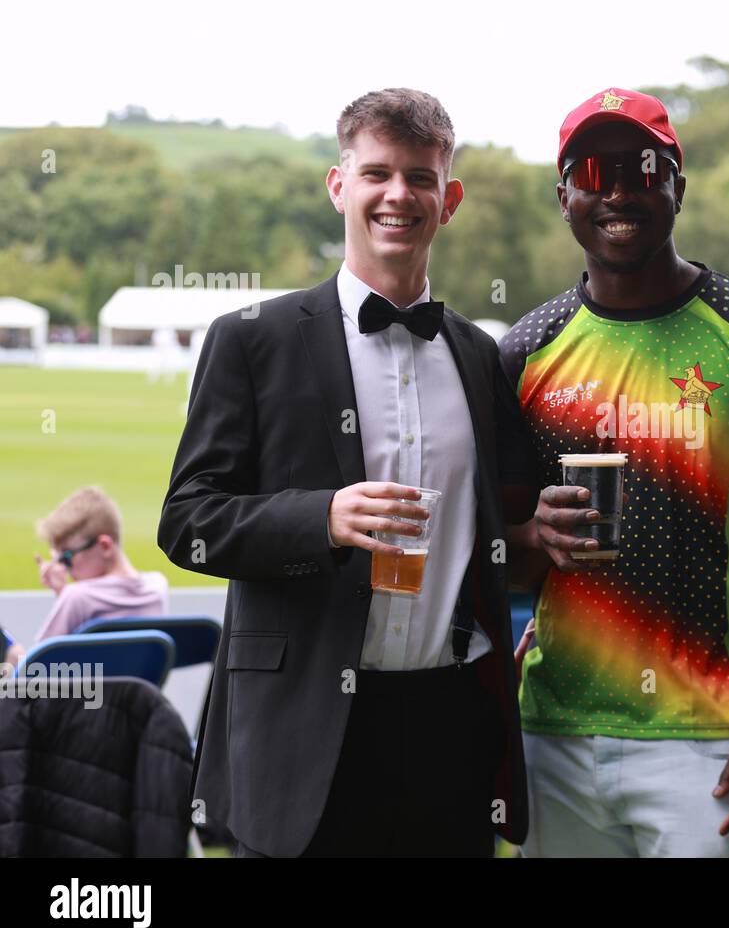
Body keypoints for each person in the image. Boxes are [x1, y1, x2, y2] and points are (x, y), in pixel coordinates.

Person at [158, 88, 533, 857]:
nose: (399, 195)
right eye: (377, 174)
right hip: (302, 735)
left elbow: (502, 530)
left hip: (448, 728)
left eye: (421, 178)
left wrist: (541, 532)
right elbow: (188, 521)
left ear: (448, 198)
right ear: (340, 186)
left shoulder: (477, 355)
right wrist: (321, 518)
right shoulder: (250, 342)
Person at [501, 87, 729, 857]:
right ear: (565, 196)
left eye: (644, 168)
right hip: (554, 735)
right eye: (595, 170)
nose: (619, 189)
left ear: (677, 187)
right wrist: (528, 534)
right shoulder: (524, 350)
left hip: (711, 739)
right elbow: (499, 548)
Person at [33, 486, 168, 642]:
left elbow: (34, 664)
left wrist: (65, 596)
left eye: (66, 557)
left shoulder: (76, 597)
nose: (64, 568)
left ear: (105, 546)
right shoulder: (157, 587)